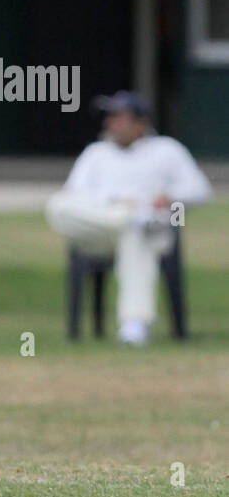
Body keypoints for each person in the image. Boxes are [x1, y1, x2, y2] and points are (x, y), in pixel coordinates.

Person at [46, 91, 211, 345]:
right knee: (58, 206)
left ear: (140, 123)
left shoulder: (167, 150)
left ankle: (134, 323)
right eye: (109, 117)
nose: (110, 123)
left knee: (135, 236)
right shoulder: (96, 153)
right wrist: (117, 203)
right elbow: (74, 195)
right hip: (102, 231)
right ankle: (132, 218)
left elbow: (200, 190)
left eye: (118, 117)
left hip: (156, 233)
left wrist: (168, 196)